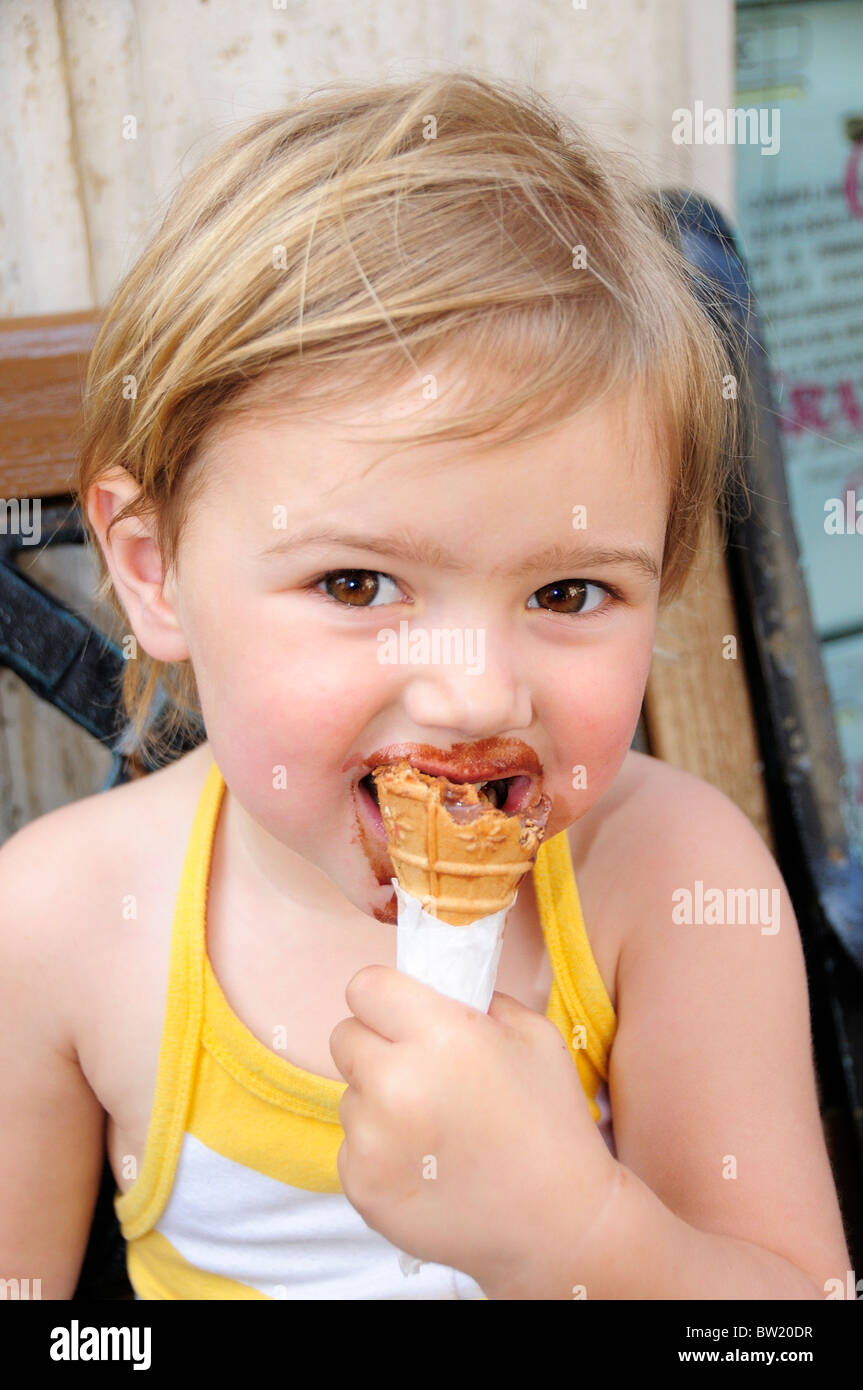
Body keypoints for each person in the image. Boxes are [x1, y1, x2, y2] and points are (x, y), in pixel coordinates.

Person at [0, 71, 851, 1300]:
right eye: (357, 583)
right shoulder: (58, 925)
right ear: (155, 571)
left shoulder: (670, 887)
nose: (471, 697)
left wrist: (583, 1243)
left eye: (565, 594)